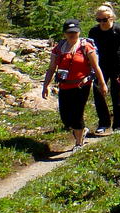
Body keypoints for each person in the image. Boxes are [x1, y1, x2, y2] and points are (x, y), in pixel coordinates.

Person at [41, 19, 108, 151]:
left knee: (77, 114)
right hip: (64, 86)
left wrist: (102, 83)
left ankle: (78, 143)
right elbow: (51, 68)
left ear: (79, 32)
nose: (72, 35)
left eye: (75, 32)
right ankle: (81, 130)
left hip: (82, 85)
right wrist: (45, 86)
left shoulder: (86, 47)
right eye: (69, 32)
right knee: (66, 117)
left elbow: (96, 66)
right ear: (64, 33)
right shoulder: (58, 48)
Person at [88, 5, 120, 134]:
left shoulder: (119, 31)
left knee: (116, 96)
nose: (102, 23)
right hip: (100, 67)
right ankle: (104, 122)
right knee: (98, 94)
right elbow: (90, 50)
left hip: (116, 67)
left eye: (104, 19)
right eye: (98, 20)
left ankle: (118, 125)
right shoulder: (93, 32)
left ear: (112, 18)